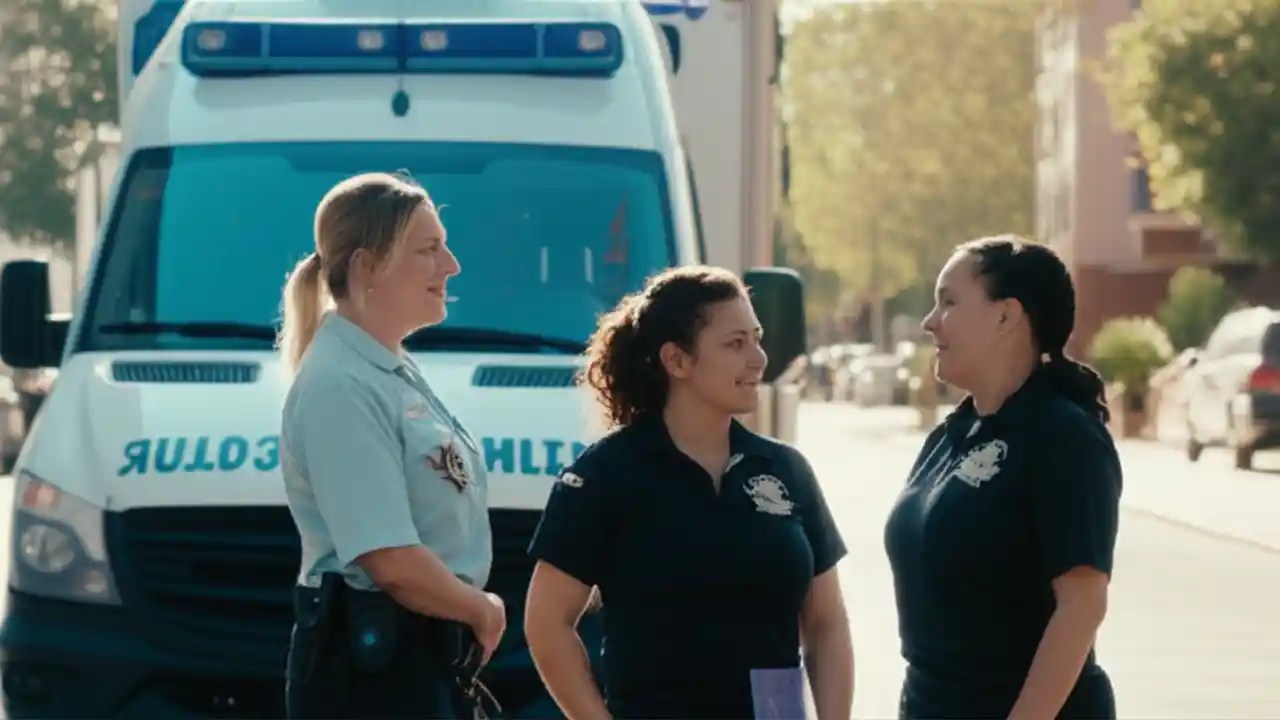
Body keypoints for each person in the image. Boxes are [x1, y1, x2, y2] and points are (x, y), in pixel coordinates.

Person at [524, 265, 855, 720]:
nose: (758, 358)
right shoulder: (605, 475)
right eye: (735, 344)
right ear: (677, 361)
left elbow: (825, 623)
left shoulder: (786, 470)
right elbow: (547, 622)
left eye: (756, 338)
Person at [276, 172, 506, 718]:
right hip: (375, 671)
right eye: (428, 250)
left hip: (411, 658)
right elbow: (390, 561)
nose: (451, 266)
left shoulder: (384, 368)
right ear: (366, 267)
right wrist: (482, 610)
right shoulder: (340, 384)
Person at [884, 234, 1122, 719]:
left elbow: (1081, 607)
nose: (931, 322)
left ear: (1005, 315)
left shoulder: (1063, 435)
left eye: (949, 302)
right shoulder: (951, 434)